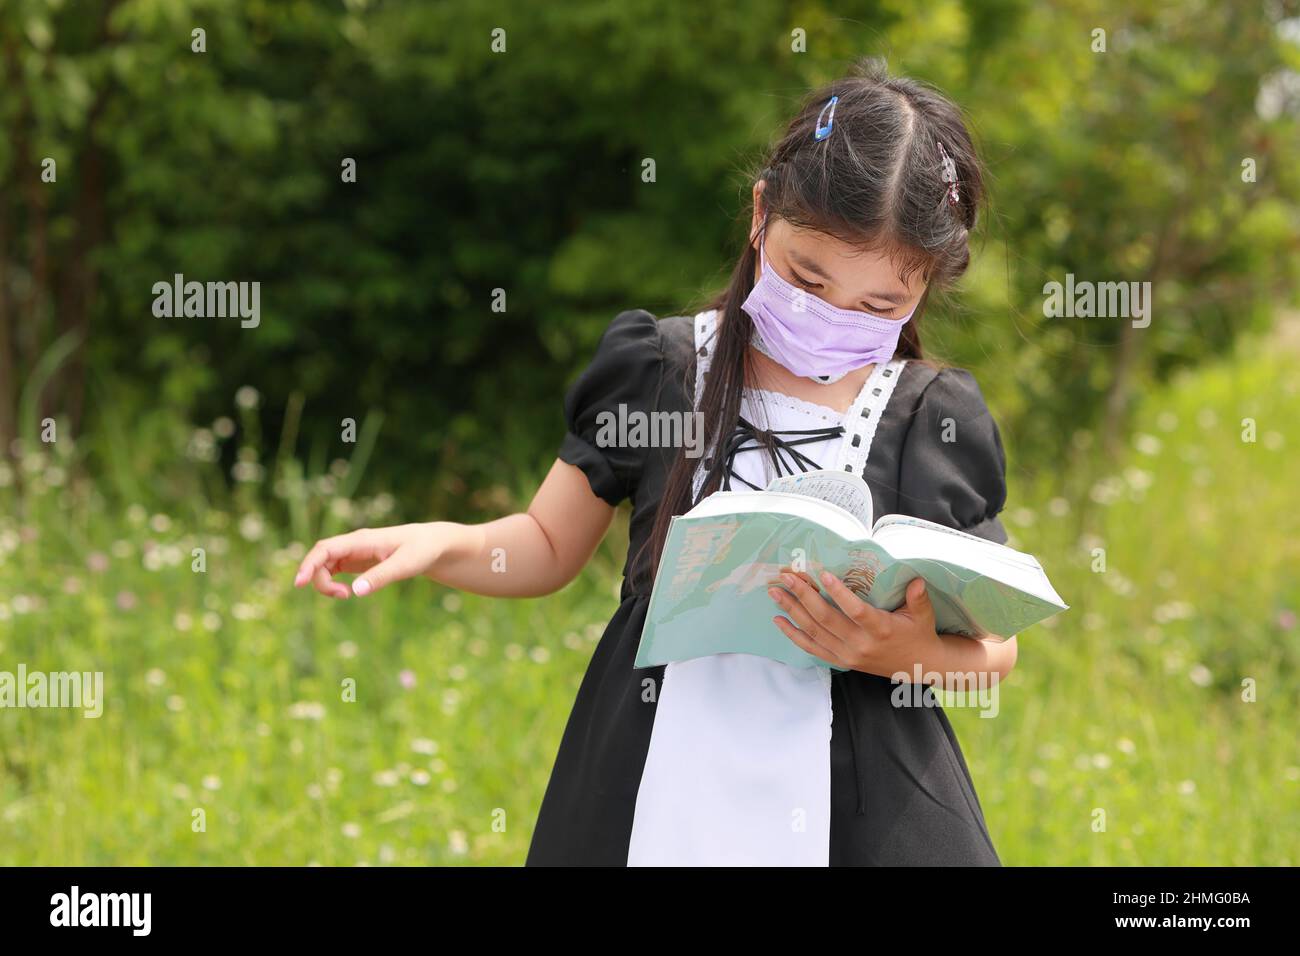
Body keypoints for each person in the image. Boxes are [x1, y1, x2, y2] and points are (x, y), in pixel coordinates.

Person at [294, 57, 1015, 866]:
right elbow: (546, 541)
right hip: (652, 785)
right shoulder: (664, 368)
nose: (830, 315)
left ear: (923, 291)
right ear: (760, 213)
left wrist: (897, 653)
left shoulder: (929, 418)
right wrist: (436, 542)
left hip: (859, 812)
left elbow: (993, 651)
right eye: (806, 277)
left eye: (879, 304)